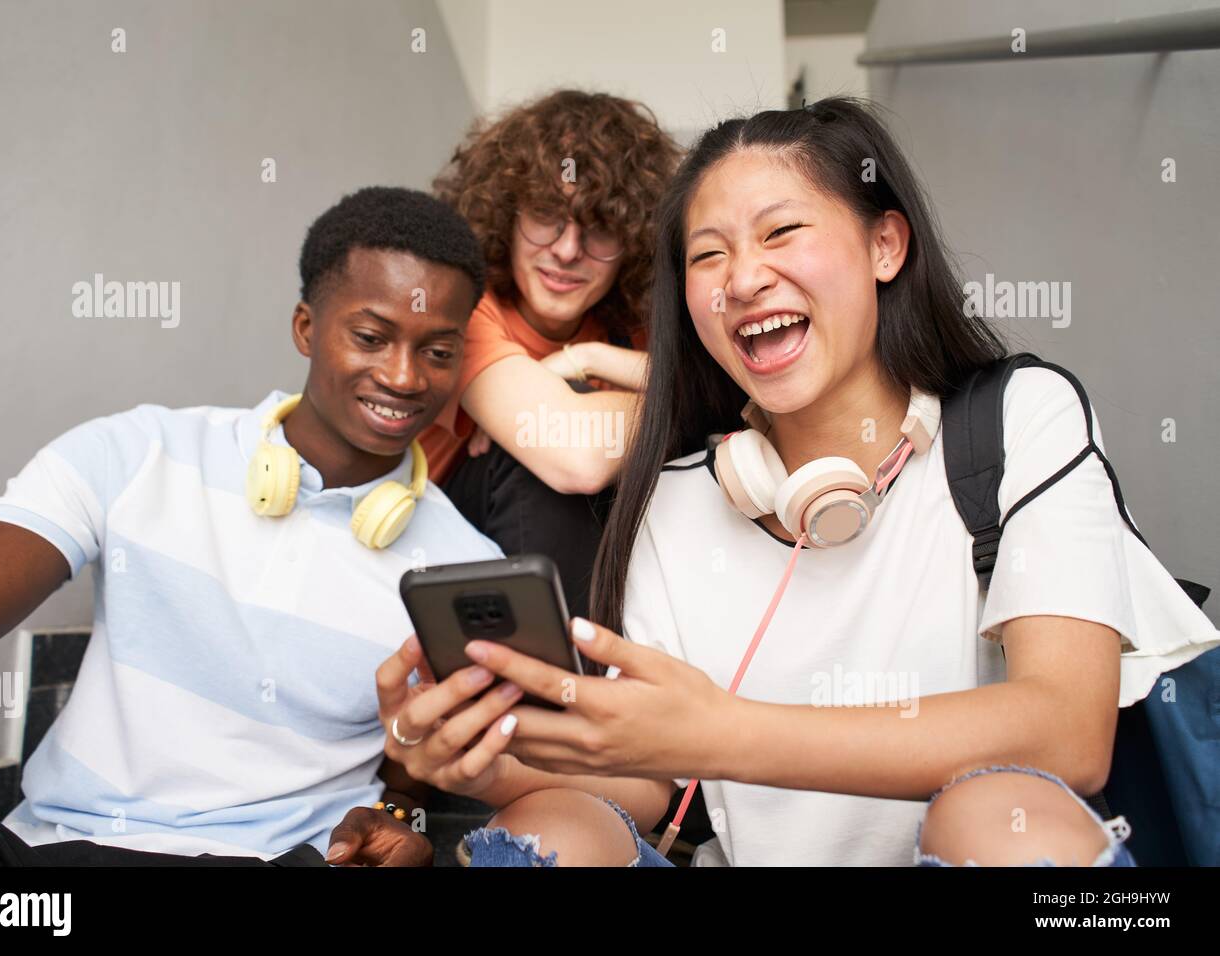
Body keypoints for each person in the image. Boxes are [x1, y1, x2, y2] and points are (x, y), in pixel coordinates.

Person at [374, 98, 1220, 867]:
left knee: (996, 814)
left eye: (781, 233)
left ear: (885, 245)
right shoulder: (675, 497)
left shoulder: (1019, 418)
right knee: (547, 829)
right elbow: (656, 783)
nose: (743, 278)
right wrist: (486, 758)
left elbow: (1068, 733)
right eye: (709, 255)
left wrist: (727, 732)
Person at [0, 186, 501, 866]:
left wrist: (398, 819)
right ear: (306, 327)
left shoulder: (466, 567)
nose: (404, 377)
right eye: (371, 338)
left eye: (438, 351)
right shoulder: (137, 451)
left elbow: (413, 771)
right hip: (51, 866)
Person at [418, 89, 681, 617]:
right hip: (440, 548)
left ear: (633, 241)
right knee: (552, 444)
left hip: (591, 567)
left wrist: (590, 359)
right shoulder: (464, 308)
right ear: (506, 214)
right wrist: (681, 403)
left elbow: (737, 399)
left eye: (600, 228)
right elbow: (575, 457)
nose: (566, 250)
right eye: (545, 215)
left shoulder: (629, 331)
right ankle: (557, 688)